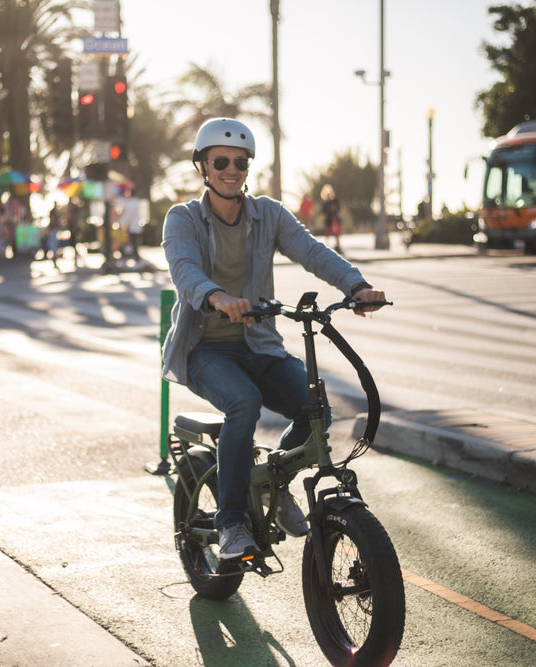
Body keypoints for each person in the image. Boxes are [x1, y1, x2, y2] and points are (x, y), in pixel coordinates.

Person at [161, 118, 387, 561]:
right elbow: (183, 270)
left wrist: (355, 288)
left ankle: (272, 483)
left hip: (260, 344)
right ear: (203, 167)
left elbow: (313, 252)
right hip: (206, 348)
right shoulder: (182, 218)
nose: (232, 169)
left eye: (240, 161)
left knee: (315, 406)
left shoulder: (270, 214)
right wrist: (217, 296)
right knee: (243, 402)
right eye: (220, 161)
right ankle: (230, 523)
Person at [320, 184, 343, 253]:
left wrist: (334, 208)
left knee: (337, 233)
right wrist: (329, 209)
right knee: (328, 233)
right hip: (329, 220)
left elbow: (338, 209)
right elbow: (323, 211)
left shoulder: (335, 201)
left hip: (335, 219)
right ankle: (327, 247)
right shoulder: (325, 203)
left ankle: (338, 246)